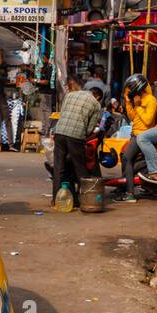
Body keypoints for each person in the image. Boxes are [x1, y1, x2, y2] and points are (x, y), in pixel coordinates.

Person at [51, 75, 104, 213]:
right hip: (75, 136)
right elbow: (90, 128)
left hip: (60, 133)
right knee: (81, 169)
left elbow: (62, 113)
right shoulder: (96, 104)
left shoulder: (70, 95)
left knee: (59, 168)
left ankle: (55, 199)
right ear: (98, 97)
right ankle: (85, 199)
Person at [114, 73, 157, 201]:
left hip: (143, 135)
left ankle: (130, 193)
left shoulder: (150, 100)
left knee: (126, 158)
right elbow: (133, 118)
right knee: (124, 156)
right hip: (135, 134)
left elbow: (147, 121)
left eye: (129, 89)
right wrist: (130, 104)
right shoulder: (137, 99)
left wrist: (139, 106)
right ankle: (124, 186)